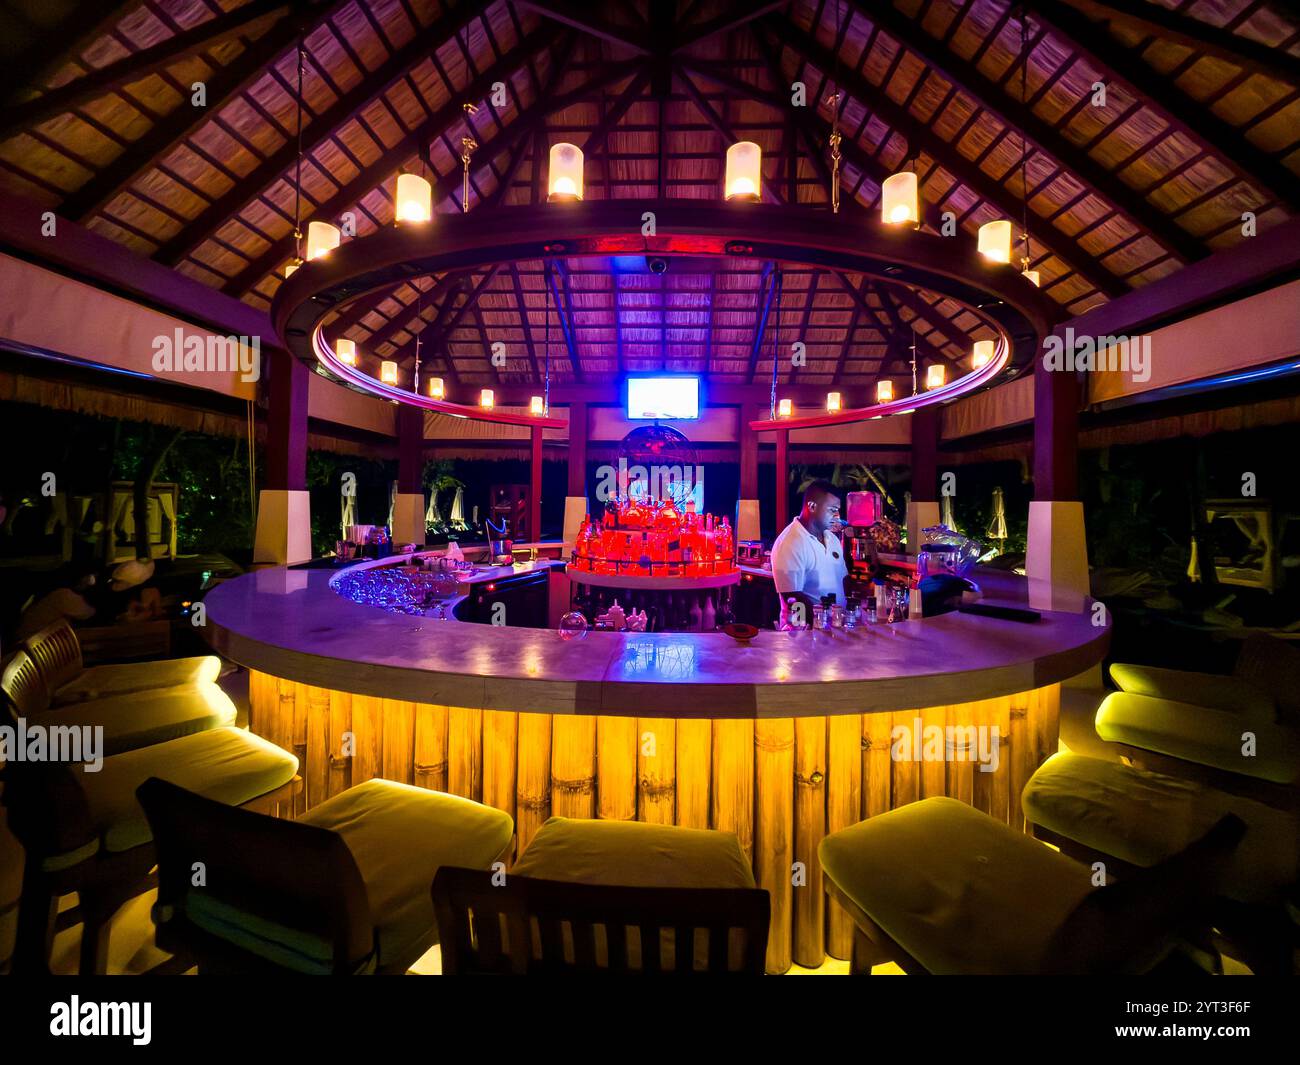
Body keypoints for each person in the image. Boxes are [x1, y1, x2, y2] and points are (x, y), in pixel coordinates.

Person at [770, 480, 848, 627]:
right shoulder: (790, 542)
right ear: (812, 506)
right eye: (832, 510)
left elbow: (842, 580)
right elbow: (792, 598)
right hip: (804, 632)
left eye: (838, 510)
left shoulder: (832, 539)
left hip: (836, 628)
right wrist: (819, 625)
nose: (837, 516)